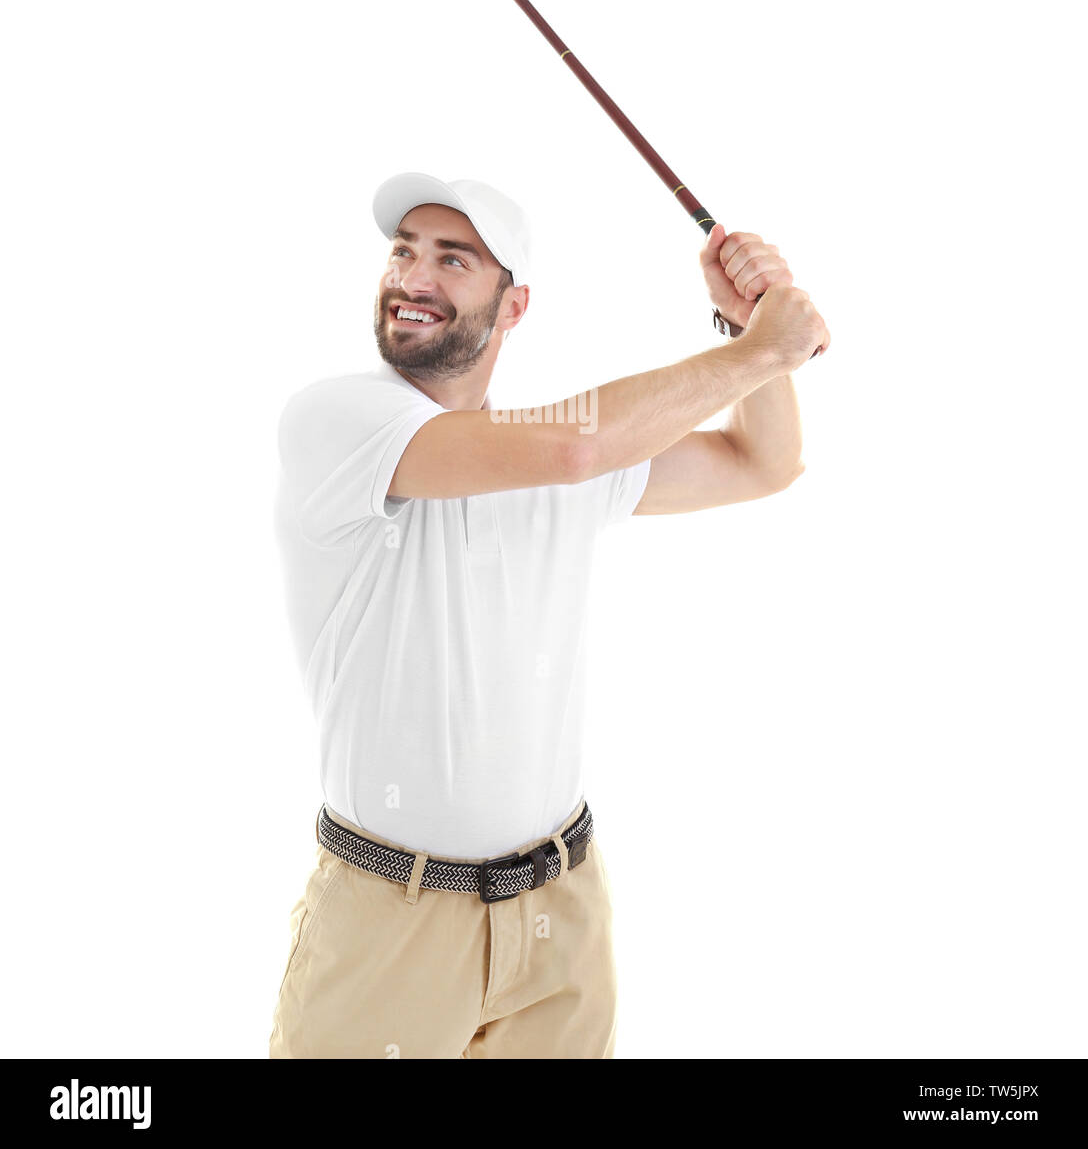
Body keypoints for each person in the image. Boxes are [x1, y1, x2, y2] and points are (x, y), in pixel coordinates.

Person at [268, 171, 829, 1059]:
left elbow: (764, 462)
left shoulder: (565, 456)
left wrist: (740, 328)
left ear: (513, 304)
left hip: (560, 906)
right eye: (404, 253)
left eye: (453, 260)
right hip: (390, 919)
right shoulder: (338, 421)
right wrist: (761, 350)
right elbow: (573, 445)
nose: (414, 277)